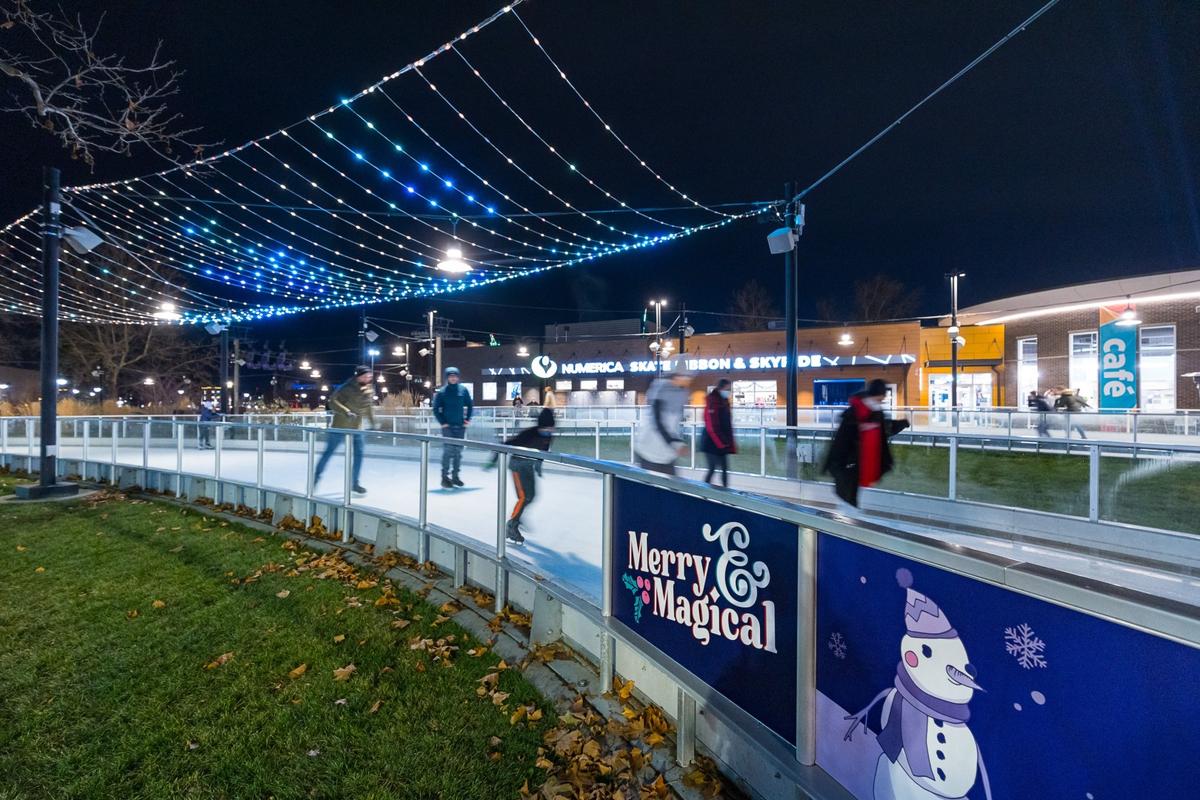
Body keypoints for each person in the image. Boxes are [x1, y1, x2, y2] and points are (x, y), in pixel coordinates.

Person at [822, 378, 911, 507]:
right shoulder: (854, 413)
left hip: (869, 463)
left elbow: (886, 429)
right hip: (853, 464)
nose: (883, 399)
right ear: (878, 394)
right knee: (849, 495)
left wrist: (903, 423)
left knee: (856, 492)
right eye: (882, 396)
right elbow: (841, 441)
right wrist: (834, 463)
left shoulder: (876, 412)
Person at [487, 407, 556, 544]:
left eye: (551, 428)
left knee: (532, 496)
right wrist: (493, 460)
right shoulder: (529, 434)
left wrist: (538, 465)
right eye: (546, 428)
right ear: (540, 426)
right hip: (517, 466)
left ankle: (518, 516)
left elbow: (543, 452)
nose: (549, 432)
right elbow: (506, 444)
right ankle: (511, 525)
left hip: (528, 467)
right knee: (524, 497)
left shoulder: (548, 436)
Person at [313, 366, 375, 495]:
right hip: (340, 426)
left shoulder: (369, 389)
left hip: (357, 427)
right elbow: (332, 401)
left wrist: (373, 423)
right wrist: (346, 411)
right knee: (329, 452)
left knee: (359, 454)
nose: (368, 379)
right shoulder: (346, 387)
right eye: (365, 376)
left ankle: (355, 483)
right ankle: (316, 478)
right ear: (358, 376)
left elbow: (368, 407)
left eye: (369, 376)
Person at [634, 370, 692, 475]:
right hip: (649, 452)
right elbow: (659, 423)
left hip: (666, 454)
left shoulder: (680, 392)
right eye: (686, 376)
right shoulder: (661, 389)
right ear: (677, 376)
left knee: (671, 487)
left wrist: (677, 443)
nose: (689, 380)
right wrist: (676, 444)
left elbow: (671, 425)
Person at [433, 366, 473, 488]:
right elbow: (435, 409)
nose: (453, 378)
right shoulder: (442, 392)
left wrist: (467, 420)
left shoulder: (463, 390)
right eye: (450, 376)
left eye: (455, 376)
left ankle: (455, 477)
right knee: (448, 452)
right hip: (447, 428)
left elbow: (470, 406)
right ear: (447, 378)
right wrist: (443, 422)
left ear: (458, 377)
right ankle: (444, 478)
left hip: (460, 427)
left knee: (458, 453)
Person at [701, 378, 736, 488]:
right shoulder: (712, 401)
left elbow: (726, 424)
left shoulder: (724, 402)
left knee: (724, 468)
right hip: (711, 442)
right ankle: (704, 490)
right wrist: (722, 442)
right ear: (721, 388)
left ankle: (726, 493)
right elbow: (712, 425)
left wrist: (728, 442)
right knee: (712, 468)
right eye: (728, 388)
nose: (729, 391)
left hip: (722, 441)